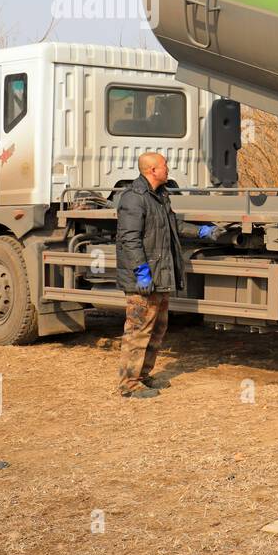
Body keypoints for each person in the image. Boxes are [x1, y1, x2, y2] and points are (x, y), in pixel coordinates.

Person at [114, 151, 224, 398]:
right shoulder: (133, 199)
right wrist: (141, 272)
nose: (168, 168)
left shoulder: (160, 196)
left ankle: (142, 376)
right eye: (164, 165)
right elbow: (129, 239)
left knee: (157, 329)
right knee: (138, 330)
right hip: (143, 279)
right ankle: (128, 385)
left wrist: (203, 232)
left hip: (160, 276)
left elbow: (174, 227)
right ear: (152, 170)